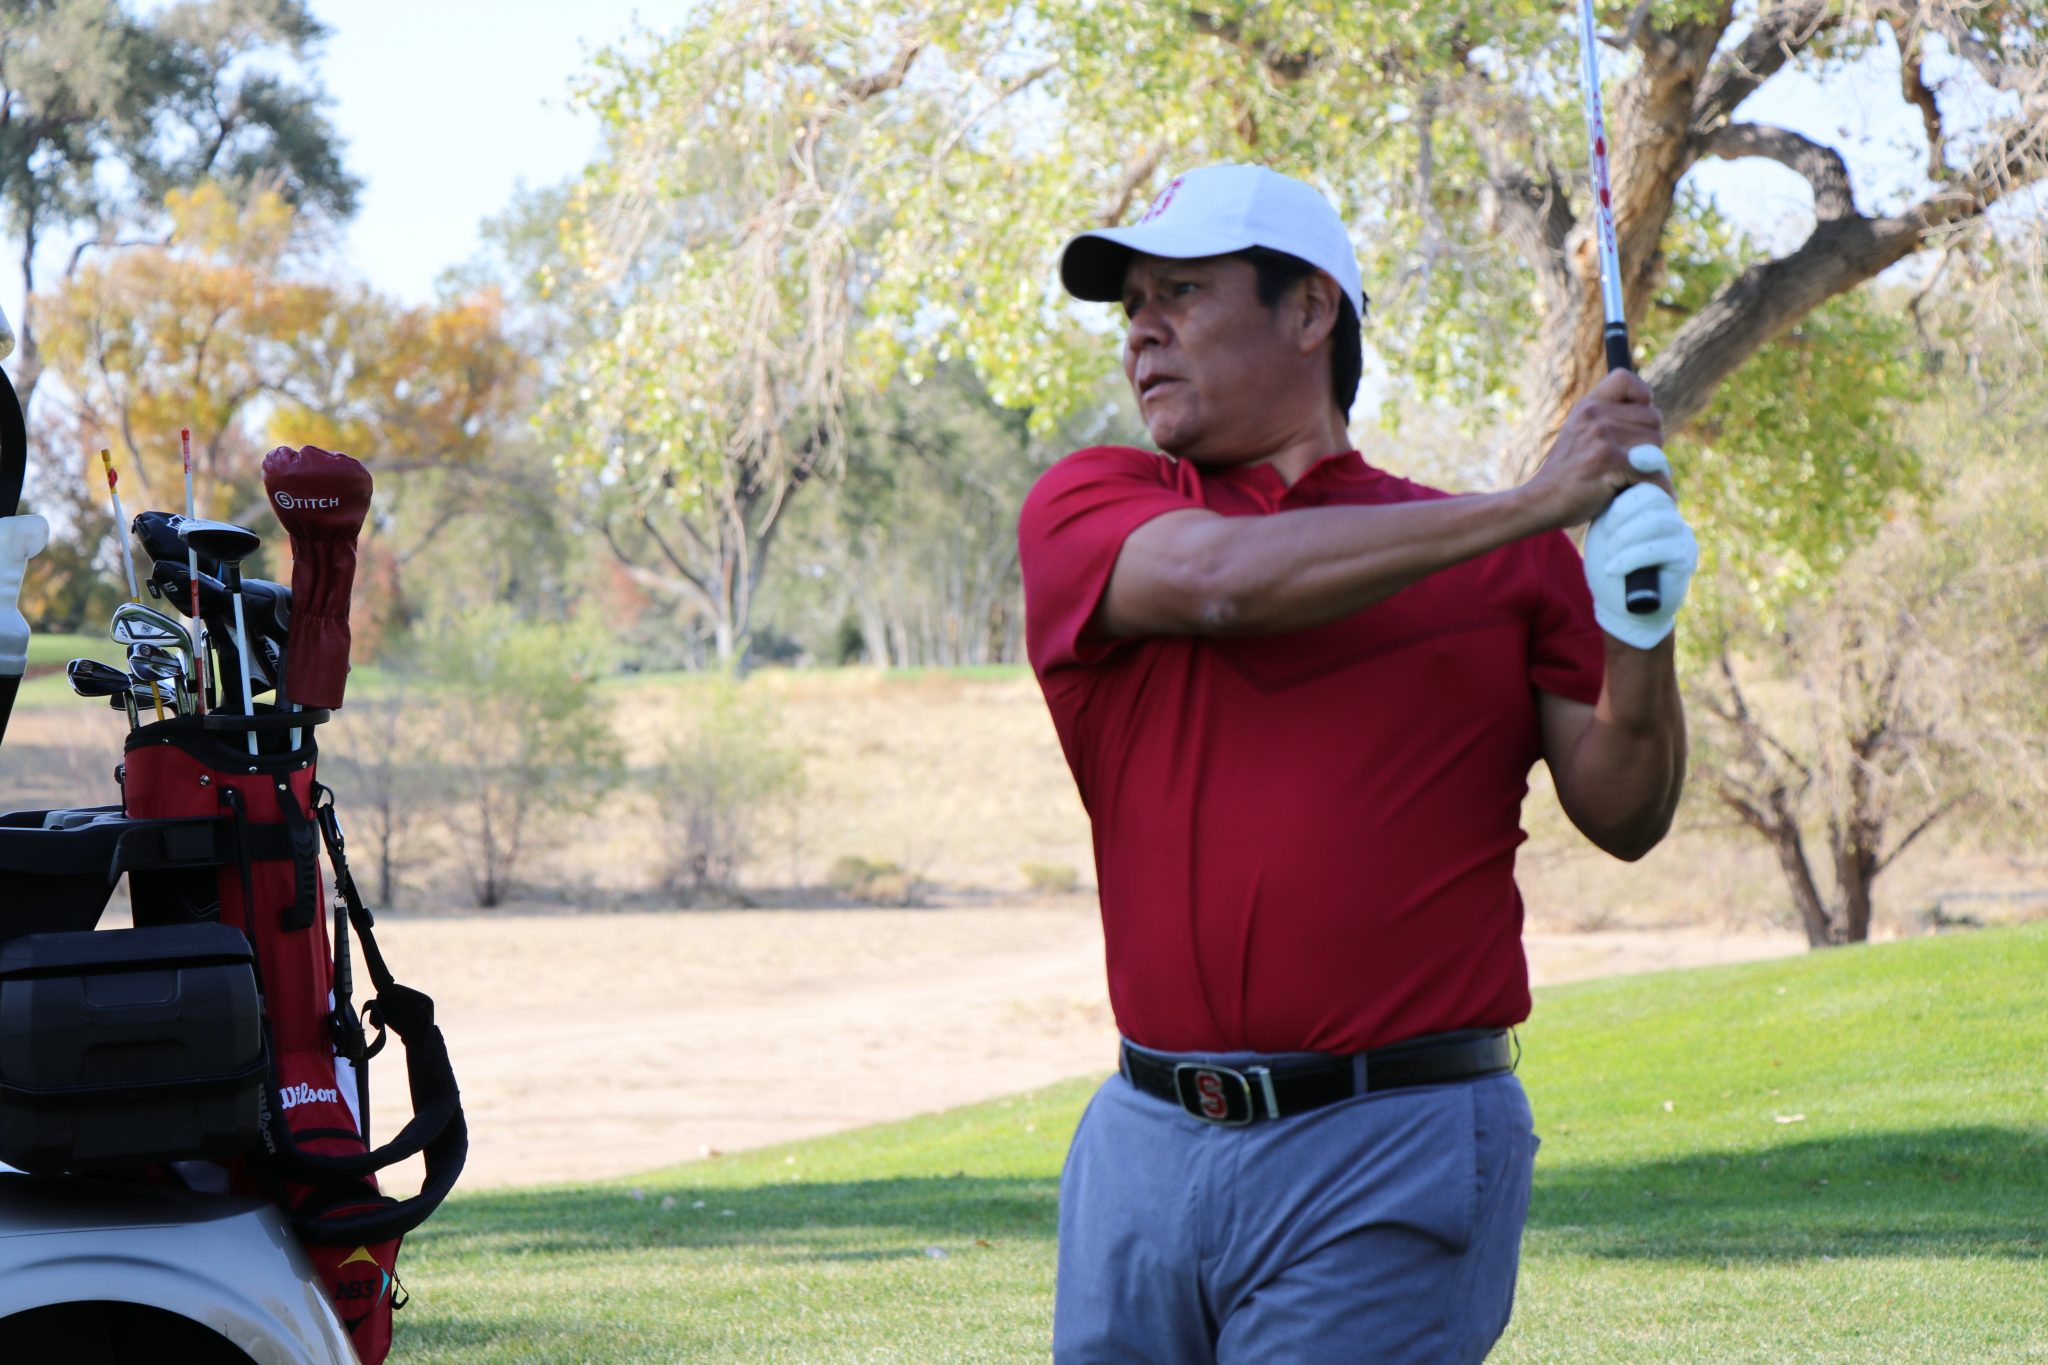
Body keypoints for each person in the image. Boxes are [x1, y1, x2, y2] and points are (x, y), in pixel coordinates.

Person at [1017, 163, 1698, 1364]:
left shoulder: (1510, 567)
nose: (1141, 330)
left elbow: (1625, 809)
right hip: (1140, 1143)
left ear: (1310, 312)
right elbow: (1223, 590)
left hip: (1393, 1139)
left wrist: (1640, 630)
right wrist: (1533, 501)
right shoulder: (1092, 502)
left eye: (1178, 291)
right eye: (1130, 305)